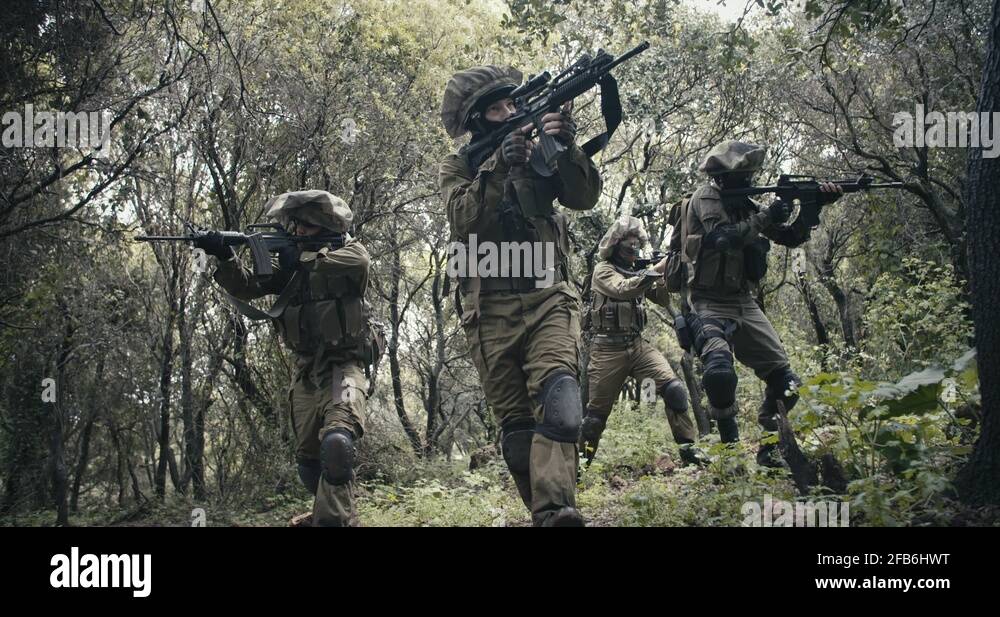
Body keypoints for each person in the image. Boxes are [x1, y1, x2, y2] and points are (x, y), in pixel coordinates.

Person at [438, 65, 602, 525]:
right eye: (497, 109)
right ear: (476, 122)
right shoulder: (459, 165)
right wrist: (496, 166)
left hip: (548, 294)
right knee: (516, 436)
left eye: (513, 104)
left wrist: (565, 147)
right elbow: (464, 222)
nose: (510, 113)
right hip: (488, 310)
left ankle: (557, 511)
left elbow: (584, 197)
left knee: (562, 402)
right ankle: (546, 513)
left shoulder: (539, 149)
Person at [196, 190, 373, 525]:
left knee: (337, 445)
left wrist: (304, 259)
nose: (297, 231)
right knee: (310, 466)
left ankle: (330, 521)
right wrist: (223, 256)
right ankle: (337, 513)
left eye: (304, 226)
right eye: (294, 225)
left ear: (322, 225)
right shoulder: (290, 265)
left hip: (344, 370)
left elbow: (359, 262)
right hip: (306, 373)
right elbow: (248, 287)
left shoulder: (350, 252)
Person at [678, 141, 841, 466]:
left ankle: (768, 450)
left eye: (751, 176)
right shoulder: (706, 197)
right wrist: (768, 214)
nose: (751, 181)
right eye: (744, 176)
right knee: (720, 372)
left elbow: (791, 237)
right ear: (724, 177)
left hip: (743, 301)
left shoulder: (748, 206)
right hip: (707, 301)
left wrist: (813, 206)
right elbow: (724, 238)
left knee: (787, 383)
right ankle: (731, 455)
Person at [581, 216, 705, 467]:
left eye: (637, 243)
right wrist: (653, 270)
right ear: (616, 245)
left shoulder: (638, 268)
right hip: (607, 349)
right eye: (629, 243)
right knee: (595, 419)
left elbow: (660, 298)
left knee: (674, 391)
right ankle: (580, 467)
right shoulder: (603, 271)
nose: (634, 248)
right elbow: (623, 289)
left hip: (637, 346)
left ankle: (689, 450)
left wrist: (664, 272)